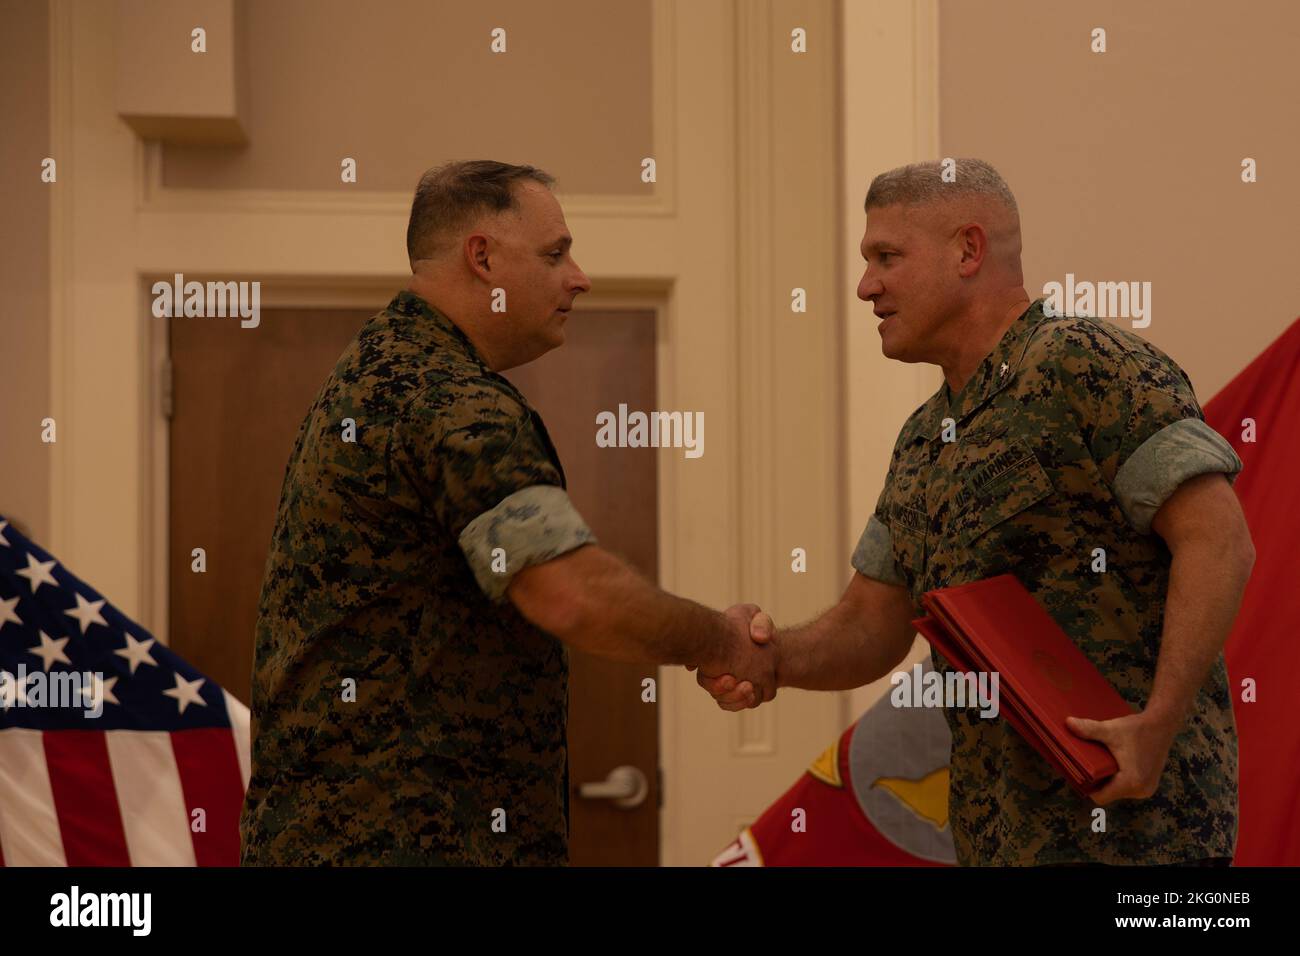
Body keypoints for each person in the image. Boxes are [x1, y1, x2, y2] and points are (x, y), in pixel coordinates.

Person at [701, 159, 1253, 867]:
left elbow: (1219, 542)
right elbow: (872, 626)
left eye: (886, 257)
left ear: (967, 249)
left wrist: (1159, 723)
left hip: (1137, 836)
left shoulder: (1087, 363)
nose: (866, 285)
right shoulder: (925, 438)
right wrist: (765, 656)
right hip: (997, 837)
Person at [240, 160, 775, 866]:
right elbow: (574, 595)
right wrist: (720, 641)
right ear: (483, 257)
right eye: (555, 254)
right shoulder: (446, 398)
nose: (579, 277)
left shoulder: (379, 370)